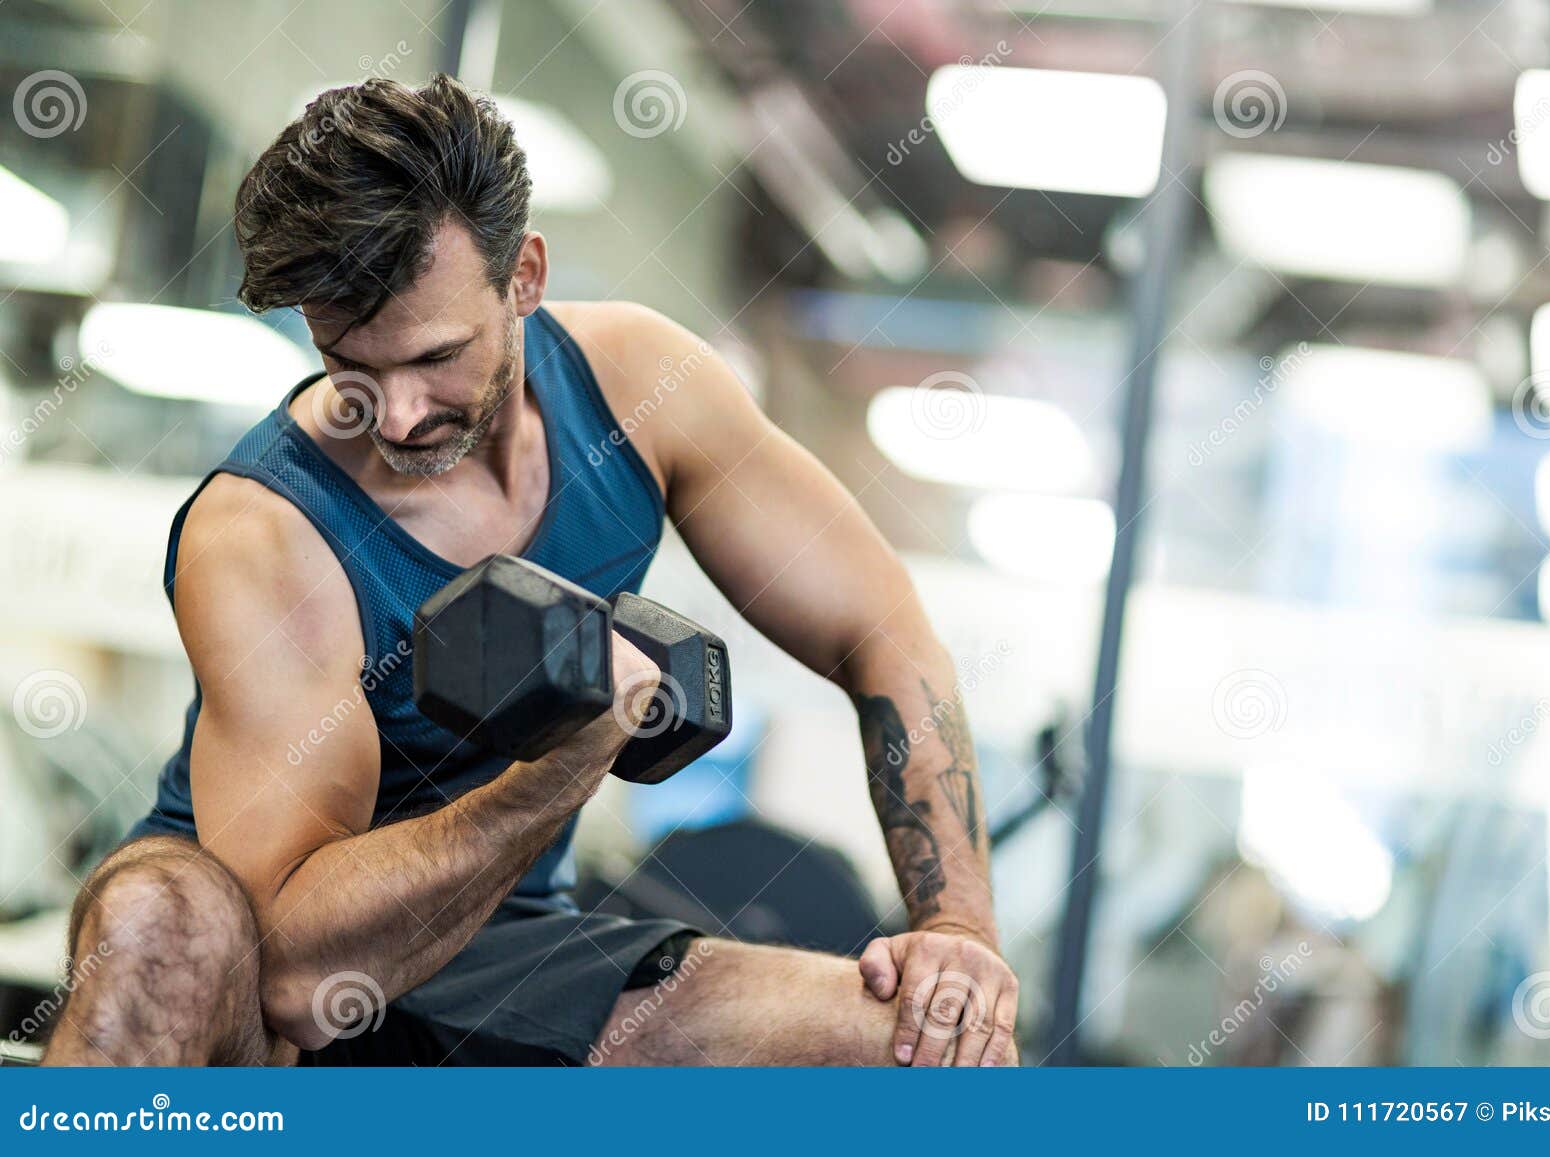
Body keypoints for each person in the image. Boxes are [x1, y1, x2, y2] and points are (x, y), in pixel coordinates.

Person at [42, 74, 1017, 1068]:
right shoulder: (264, 529)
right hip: (262, 955)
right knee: (161, 916)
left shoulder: (639, 384)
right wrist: (564, 764)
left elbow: (882, 632)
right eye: (352, 368)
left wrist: (959, 931)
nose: (400, 413)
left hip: (512, 938)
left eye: (436, 356)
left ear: (525, 278)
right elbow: (300, 976)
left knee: (920, 1045)